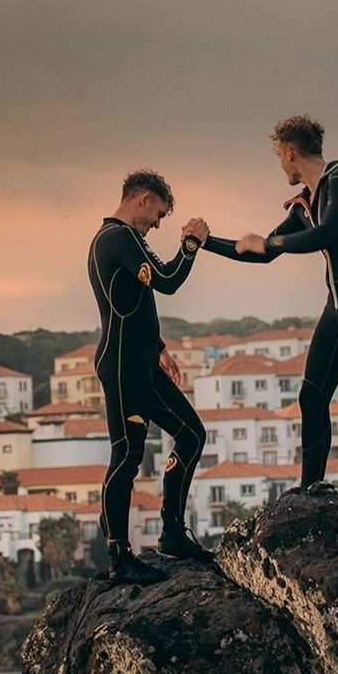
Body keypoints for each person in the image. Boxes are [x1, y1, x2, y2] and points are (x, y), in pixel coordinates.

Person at [203, 116, 338, 531]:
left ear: (289, 152)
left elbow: (332, 232)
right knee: (310, 396)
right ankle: (310, 495)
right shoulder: (305, 204)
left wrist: (270, 242)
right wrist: (204, 242)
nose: (280, 166)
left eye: (279, 158)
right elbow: (261, 252)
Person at [88, 169, 213, 584]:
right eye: (158, 213)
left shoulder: (129, 241)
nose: (158, 223)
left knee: (192, 434)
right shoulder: (116, 238)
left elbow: (134, 302)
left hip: (143, 361)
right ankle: (119, 556)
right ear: (142, 199)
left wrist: (159, 348)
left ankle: (173, 532)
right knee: (126, 455)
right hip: (123, 366)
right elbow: (166, 282)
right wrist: (192, 243)